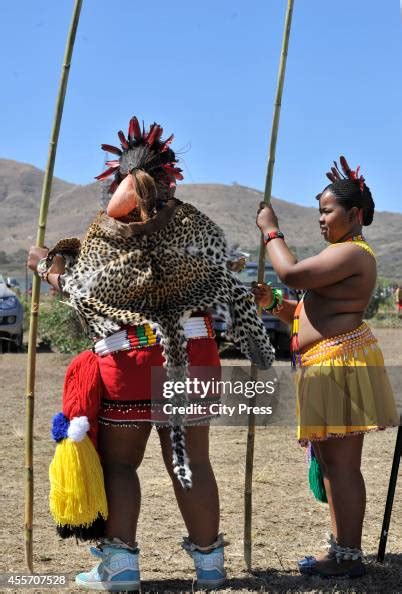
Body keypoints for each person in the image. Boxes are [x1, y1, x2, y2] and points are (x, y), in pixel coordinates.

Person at [28, 116, 274, 591]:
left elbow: (83, 290)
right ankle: (210, 567)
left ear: (115, 180)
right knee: (193, 462)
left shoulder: (105, 233)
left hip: (132, 357)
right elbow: (224, 277)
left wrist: (45, 270)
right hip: (195, 351)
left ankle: (120, 568)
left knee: (121, 464)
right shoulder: (197, 225)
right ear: (169, 179)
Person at [253, 156, 399, 578]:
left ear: (354, 215)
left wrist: (270, 230)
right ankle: (341, 549)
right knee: (334, 465)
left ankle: (348, 554)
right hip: (326, 363)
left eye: (327, 211)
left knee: (342, 466)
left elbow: (293, 273)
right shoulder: (339, 253)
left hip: (339, 364)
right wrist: (274, 306)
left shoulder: (353, 253)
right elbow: (307, 312)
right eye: (319, 211)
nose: (320, 219)